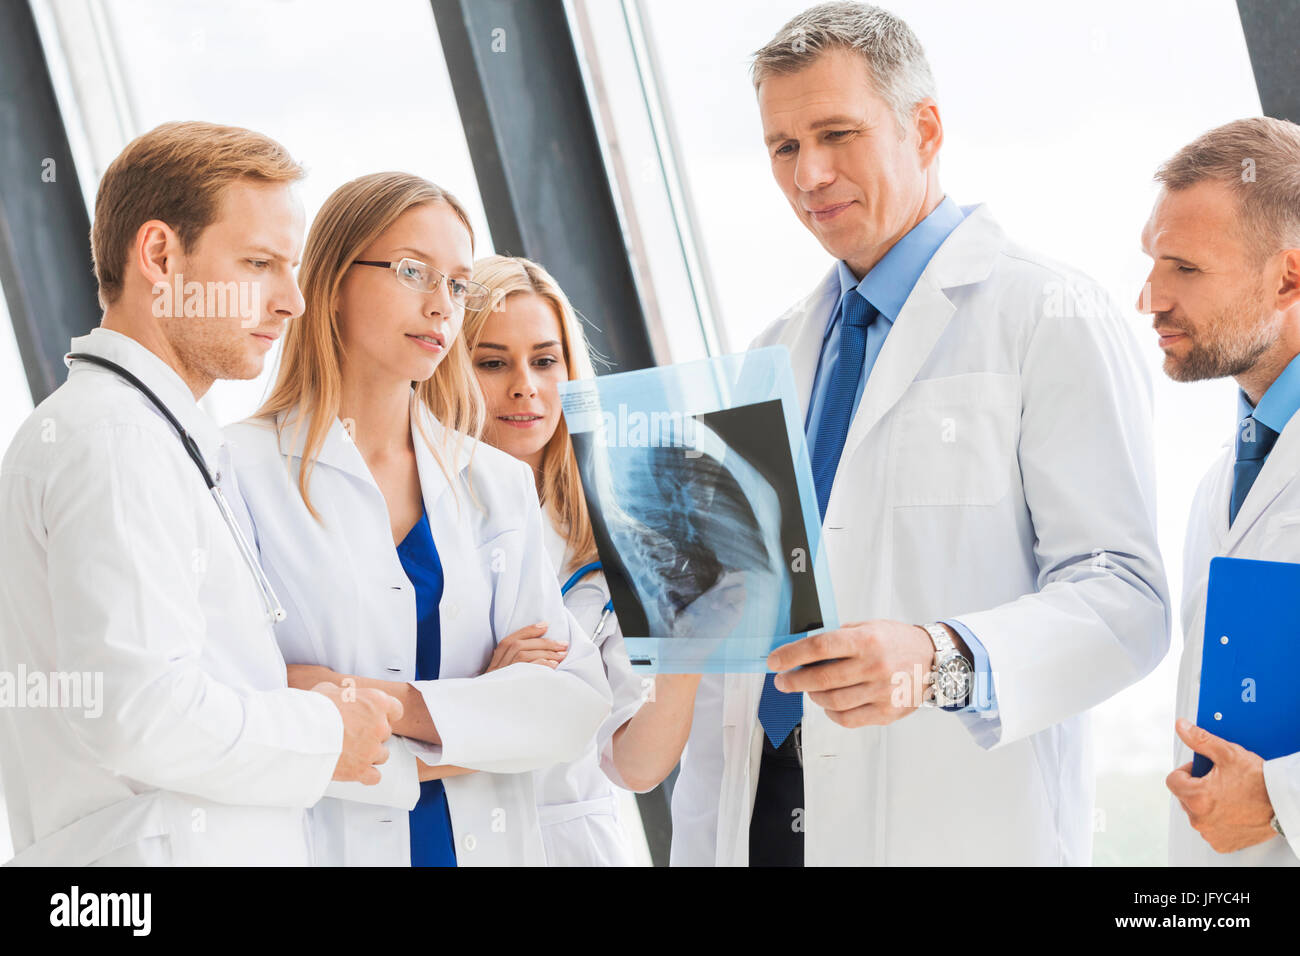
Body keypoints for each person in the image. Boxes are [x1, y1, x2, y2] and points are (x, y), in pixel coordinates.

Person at [670, 2, 1171, 866]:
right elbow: (733, 624)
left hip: (951, 823)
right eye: (784, 148)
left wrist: (939, 658)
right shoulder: (770, 352)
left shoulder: (1048, 315)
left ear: (924, 128)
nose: (809, 174)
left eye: (837, 133)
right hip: (764, 815)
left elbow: (1127, 597)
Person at [0, 121, 399, 866]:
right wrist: (322, 732)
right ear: (159, 255)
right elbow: (139, 714)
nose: (292, 302)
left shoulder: (146, 435)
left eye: (293, 268)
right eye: (258, 263)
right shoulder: (114, 440)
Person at [224, 173, 612, 867]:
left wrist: (384, 708)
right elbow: (239, 703)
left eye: (457, 285)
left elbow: (572, 707)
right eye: (413, 273)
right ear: (334, 280)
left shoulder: (495, 483)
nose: (442, 307)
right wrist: (479, 716)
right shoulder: (240, 471)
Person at [462, 254, 700, 866]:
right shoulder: (416, 513)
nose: (525, 386)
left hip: (576, 843)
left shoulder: (616, 532)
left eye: (545, 360)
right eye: (492, 363)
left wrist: (687, 653)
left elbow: (637, 765)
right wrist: (492, 698)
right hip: (451, 829)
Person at [1137, 117, 1300, 866]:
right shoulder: (1226, 479)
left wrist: (1279, 799)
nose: (1150, 299)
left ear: (1288, 277)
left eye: (1186, 269)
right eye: (1152, 264)